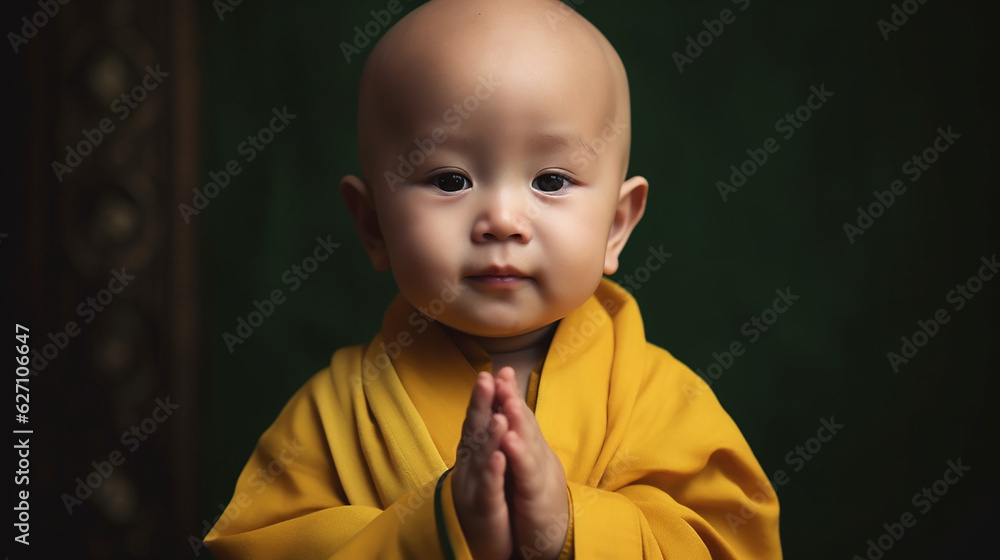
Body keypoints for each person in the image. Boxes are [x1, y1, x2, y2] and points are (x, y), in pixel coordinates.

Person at [204, 0, 782, 558]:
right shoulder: (332, 415)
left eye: (552, 181)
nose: (502, 220)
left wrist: (568, 527)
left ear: (617, 225)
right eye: (450, 180)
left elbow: (731, 543)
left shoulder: (661, 401)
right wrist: (441, 527)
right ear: (373, 224)